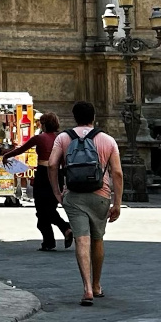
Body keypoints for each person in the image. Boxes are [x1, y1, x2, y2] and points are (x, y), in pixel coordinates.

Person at [45, 101, 123, 306]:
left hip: (73, 195)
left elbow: (52, 165)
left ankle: (87, 289)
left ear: (74, 117)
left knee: (82, 240)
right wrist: (117, 203)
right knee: (97, 239)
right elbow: (117, 173)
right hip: (101, 195)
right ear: (93, 117)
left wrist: (56, 191)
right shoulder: (107, 140)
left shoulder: (63, 138)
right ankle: (97, 285)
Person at [0, 113, 69, 250]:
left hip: (43, 174)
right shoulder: (61, 139)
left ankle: (62, 230)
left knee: (42, 209)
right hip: (58, 174)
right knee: (49, 208)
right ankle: (54, 237)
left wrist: (6, 155)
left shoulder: (40, 138)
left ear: (43, 125)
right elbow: (64, 160)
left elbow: (21, 149)